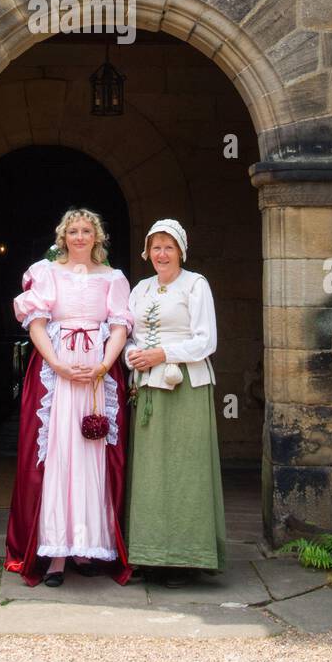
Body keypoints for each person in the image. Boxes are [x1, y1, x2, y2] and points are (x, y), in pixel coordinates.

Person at [4, 208, 133, 586]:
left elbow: (120, 325)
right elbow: (37, 324)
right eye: (73, 231)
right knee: (60, 455)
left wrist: (104, 366)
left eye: (86, 230)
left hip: (96, 368)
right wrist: (58, 364)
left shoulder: (113, 278)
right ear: (63, 236)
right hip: (57, 372)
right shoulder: (46, 273)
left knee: (92, 455)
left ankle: (88, 546)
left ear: (97, 237)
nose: (80, 237)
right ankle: (57, 553)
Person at [124, 219, 228, 585]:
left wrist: (162, 353)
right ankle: (148, 554)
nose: (161, 254)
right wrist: (133, 356)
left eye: (168, 247)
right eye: (156, 247)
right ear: (147, 252)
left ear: (181, 251)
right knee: (149, 471)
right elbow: (128, 336)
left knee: (184, 470)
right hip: (148, 385)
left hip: (186, 385)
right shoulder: (140, 289)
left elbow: (206, 340)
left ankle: (184, 558)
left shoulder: (195, 285)